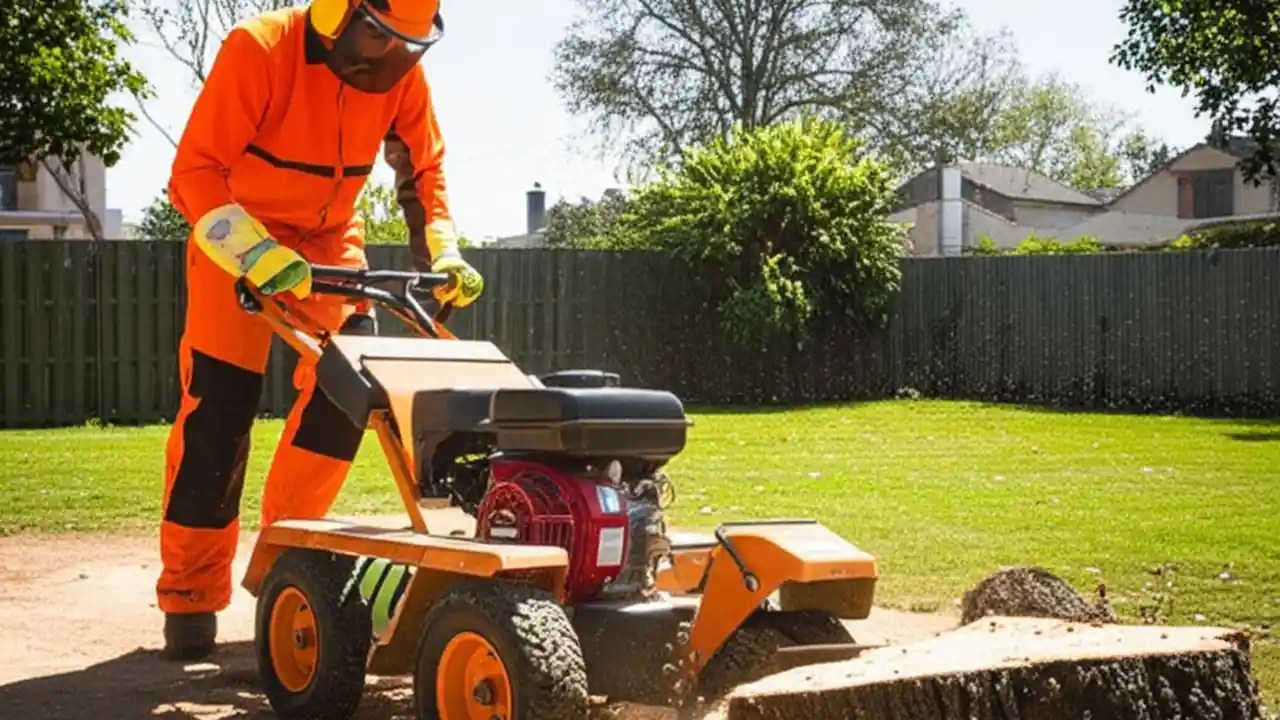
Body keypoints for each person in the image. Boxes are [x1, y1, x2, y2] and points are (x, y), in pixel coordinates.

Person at [156, 0, 481, 661]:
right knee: (217, 413)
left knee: (347, 396)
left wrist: (442, 252)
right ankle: (191, 598)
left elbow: (423, 171)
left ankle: (289, 559)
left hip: (330, 241)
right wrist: (253, 252)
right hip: (237, 237)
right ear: (340, 11)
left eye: (407, 48)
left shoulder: (399, 75)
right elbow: (194, 172)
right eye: (378, 38)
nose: (389, 59)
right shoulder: (260, 50)